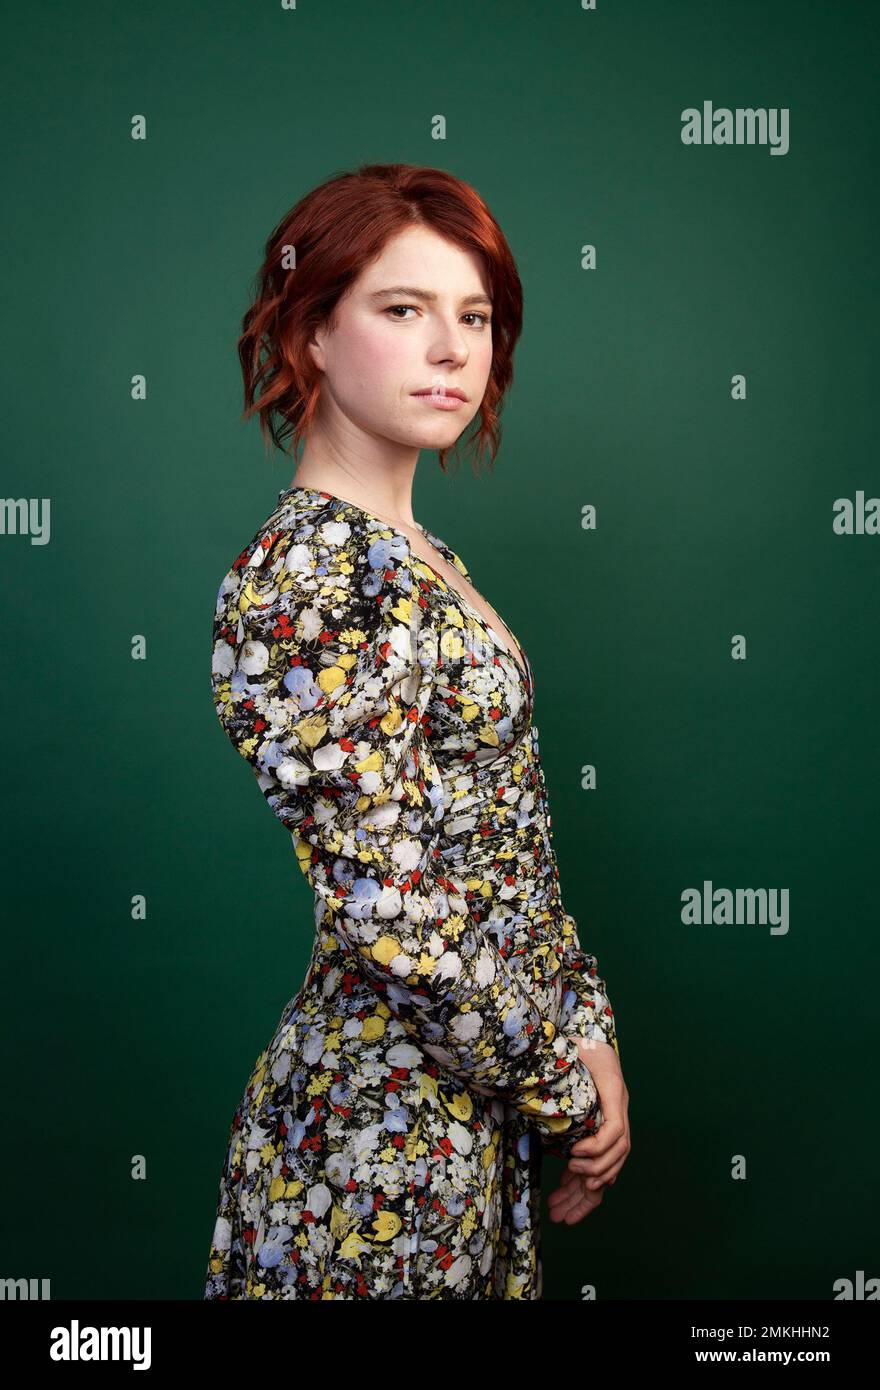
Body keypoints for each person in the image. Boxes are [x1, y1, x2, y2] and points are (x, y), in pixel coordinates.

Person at [204, 163, 631, 1300]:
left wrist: (586, 1026)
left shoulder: (423, 558)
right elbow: (388, 907)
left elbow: (500, 840)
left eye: (474, 316)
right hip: (373, 1134)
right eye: (404, 309)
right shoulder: (308, 570)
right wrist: (559, 1079)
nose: (452, 348)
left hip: (463, 1114)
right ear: (311, 332)